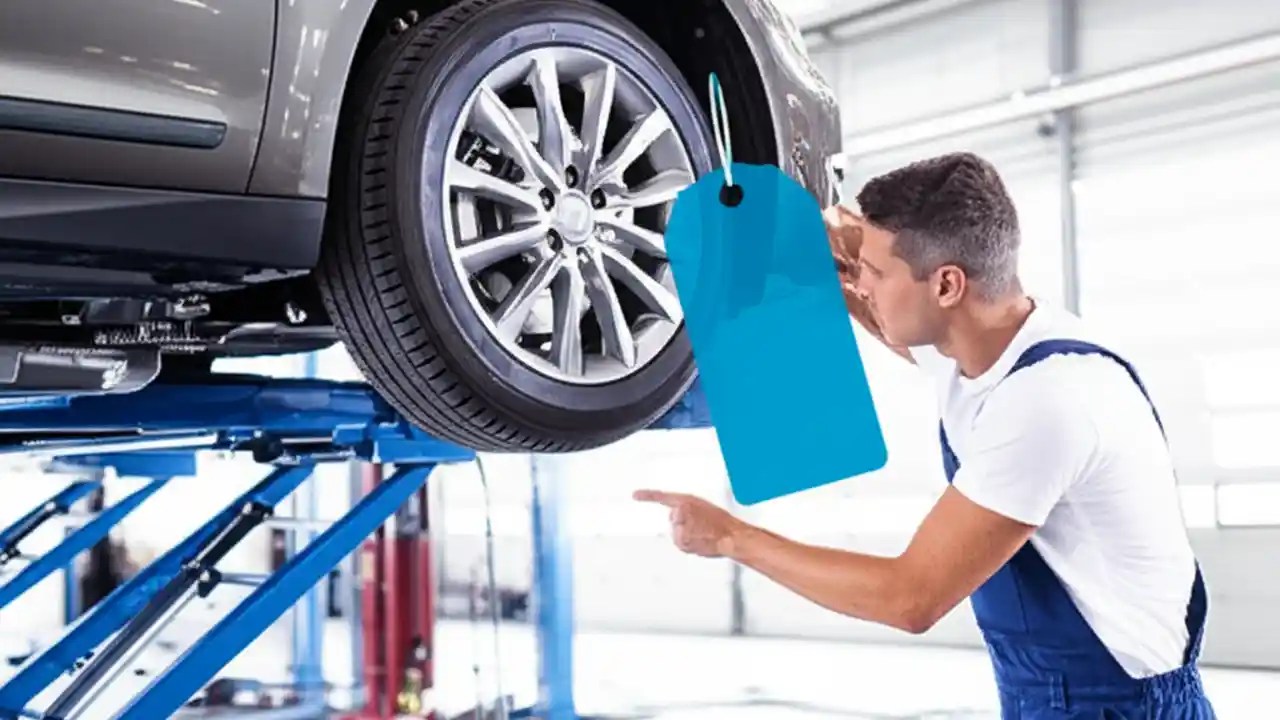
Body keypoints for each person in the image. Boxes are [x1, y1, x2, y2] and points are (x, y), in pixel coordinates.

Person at [634, 152, 1216, 719]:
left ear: (946, 286)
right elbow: (879, 314)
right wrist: (813, 239)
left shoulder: (1047, 402)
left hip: (1119, 708)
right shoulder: (983, 340)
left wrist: (733, 538)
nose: (863, 285)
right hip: (1058, 698)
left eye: (878, 273)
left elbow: (909, 598)